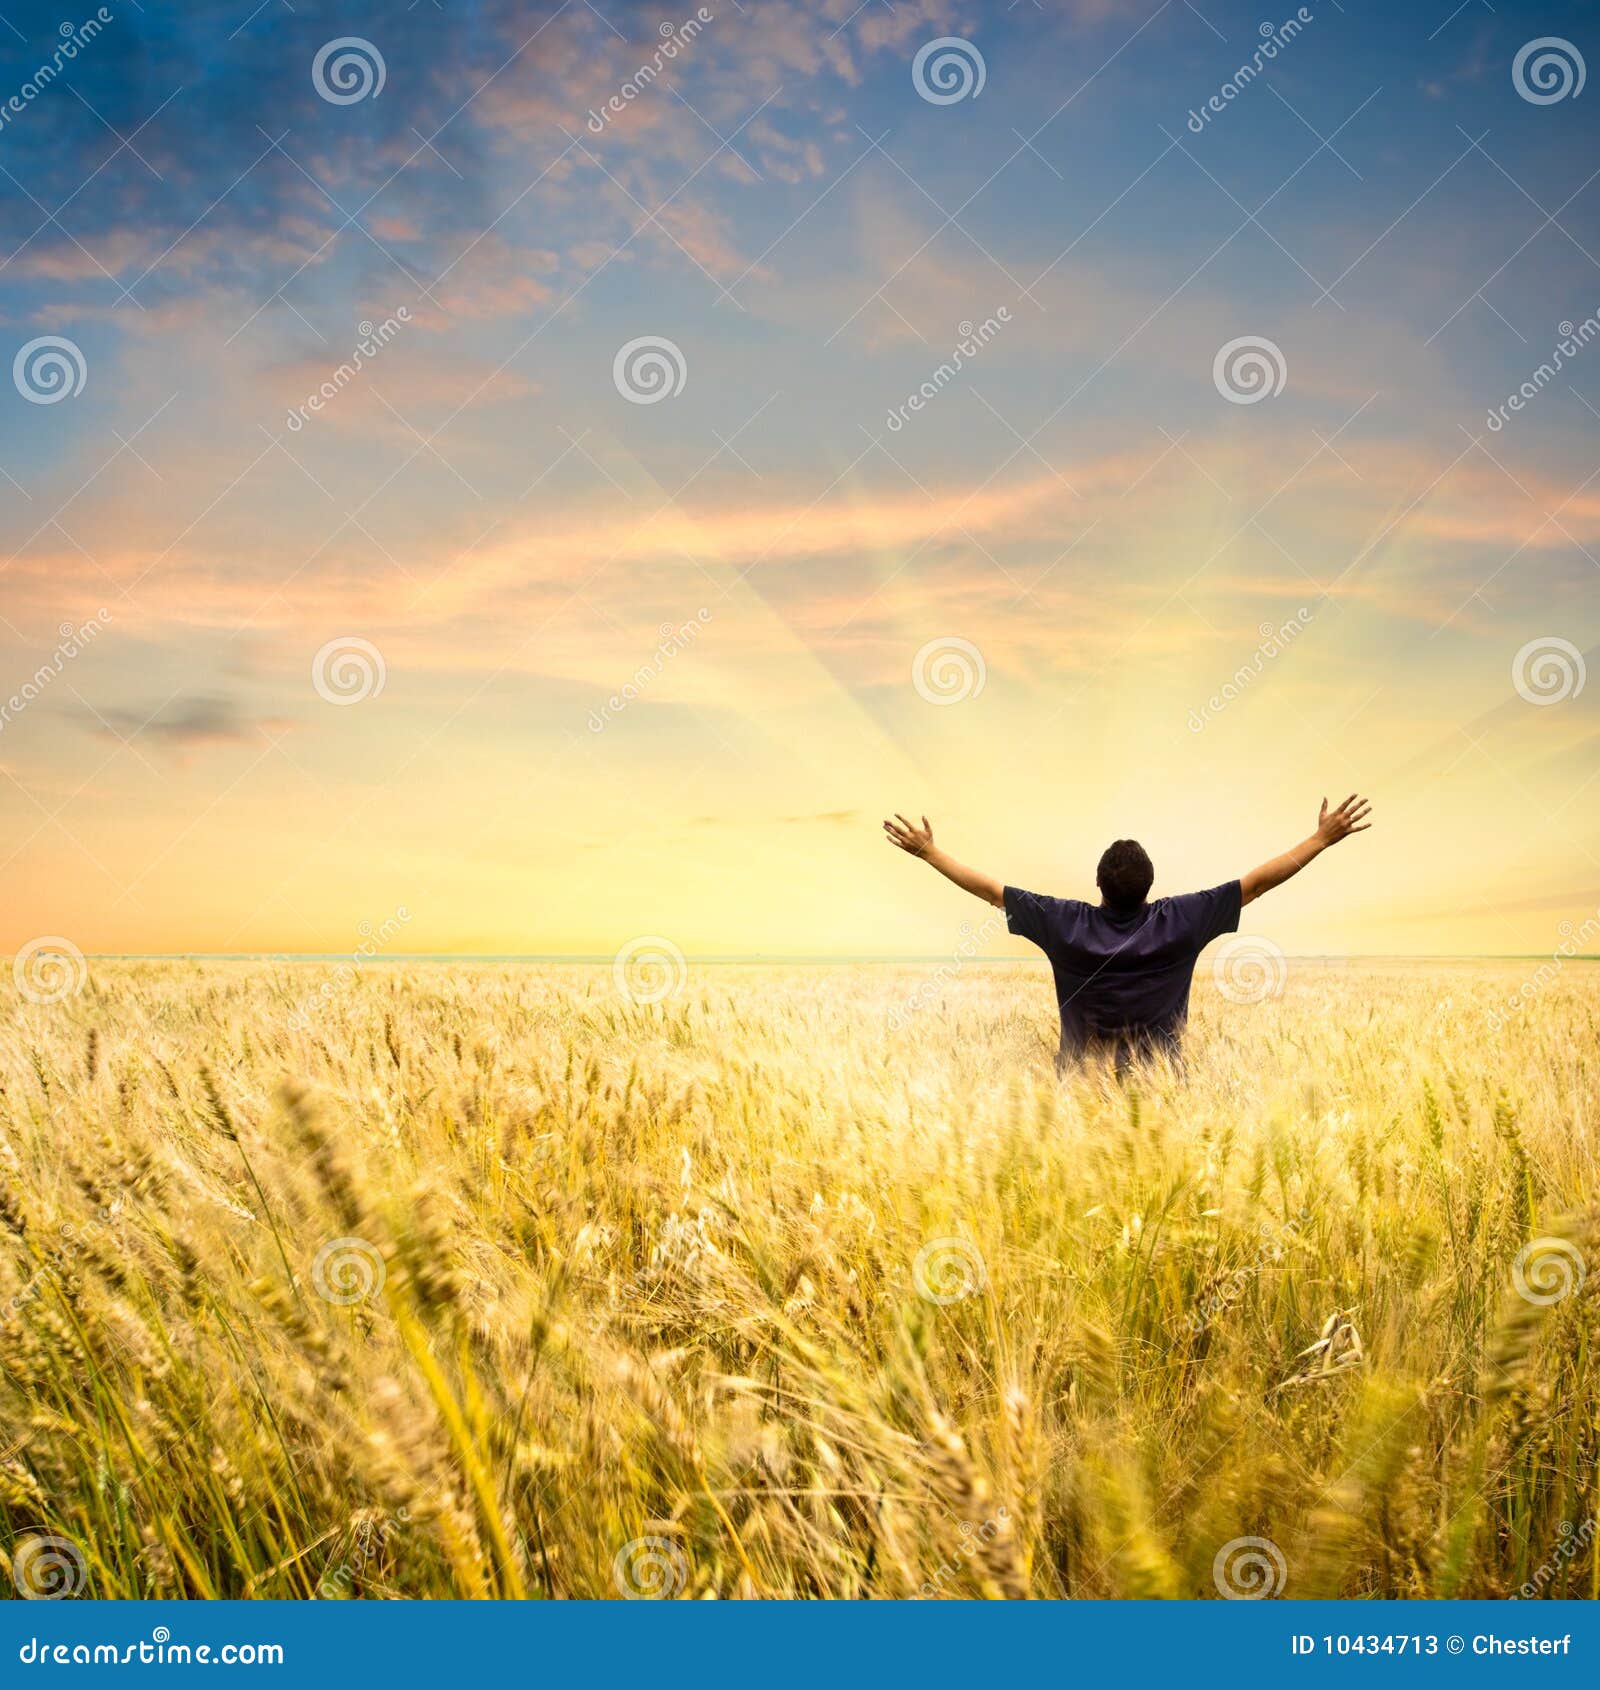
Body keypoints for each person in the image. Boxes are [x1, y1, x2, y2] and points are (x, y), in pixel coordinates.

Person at [882, 796, 1372, 1069]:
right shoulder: (1183, 919)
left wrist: (929, 852)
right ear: (1150, 887)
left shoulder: (1063, 923)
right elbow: (1258, 884)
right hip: (1162, 1094)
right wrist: (1321, 838)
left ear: (1098, 884)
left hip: (1080, 1094)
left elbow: (991, 891)